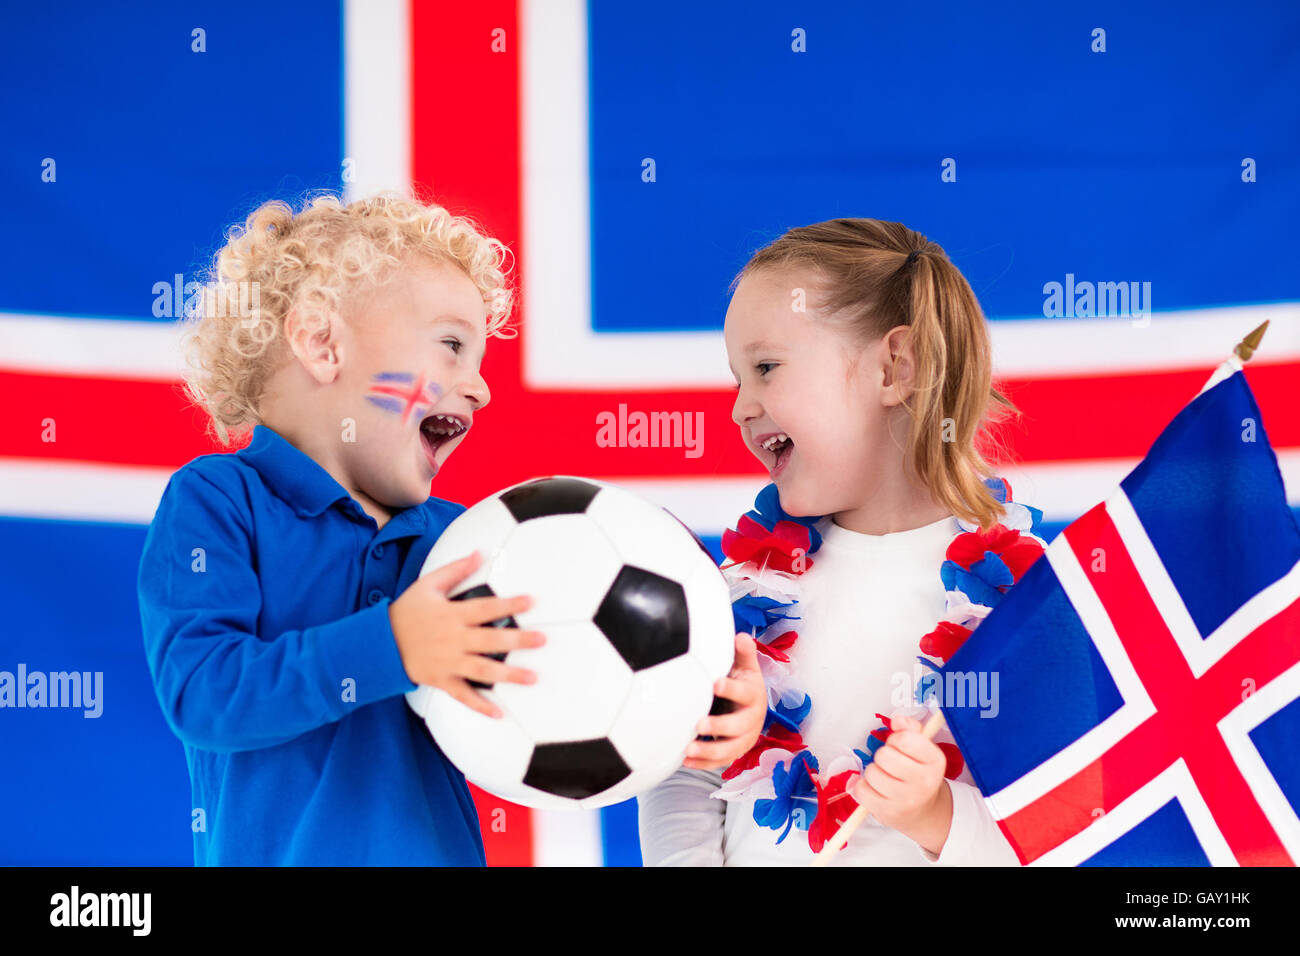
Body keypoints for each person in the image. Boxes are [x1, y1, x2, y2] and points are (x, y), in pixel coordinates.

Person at [137, 190, 766, 865]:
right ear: (322, 343)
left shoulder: (463, 542)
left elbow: (580, 685)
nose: (479, 387)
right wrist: (394, 646)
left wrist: (708, 706)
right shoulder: (220, 501)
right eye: (451, 346)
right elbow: (204, 695)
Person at [637, 219, 1048, 866]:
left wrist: (936, 814)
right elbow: (682, 779)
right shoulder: (734, 594)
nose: (740, 407)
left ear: (895, 368)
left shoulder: (1028, 606)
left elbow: (1066, 824)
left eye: (766, 367)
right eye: (737, 379)